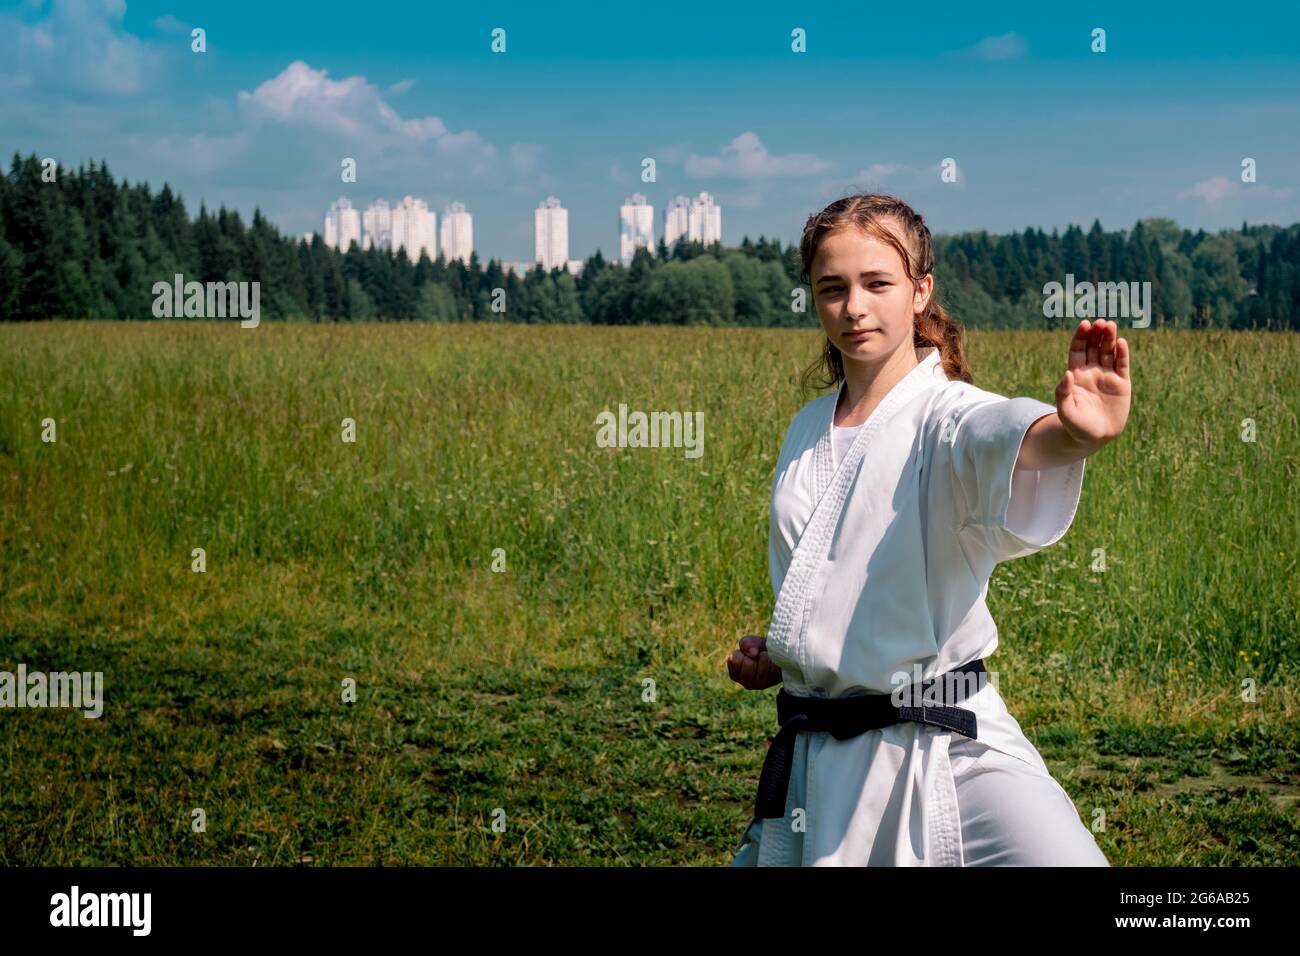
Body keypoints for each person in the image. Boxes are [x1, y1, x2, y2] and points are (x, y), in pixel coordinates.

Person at [726, 194, 1130, 866]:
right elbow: (836, 575)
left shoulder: (946, 414)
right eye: (833, 289)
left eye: (877, 283)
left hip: (952, 744)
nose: (854, 307)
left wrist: (1069, 436)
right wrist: (788, 653)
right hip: (823, 761)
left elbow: (1000, 432)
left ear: (920, 291)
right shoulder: (806, 428)